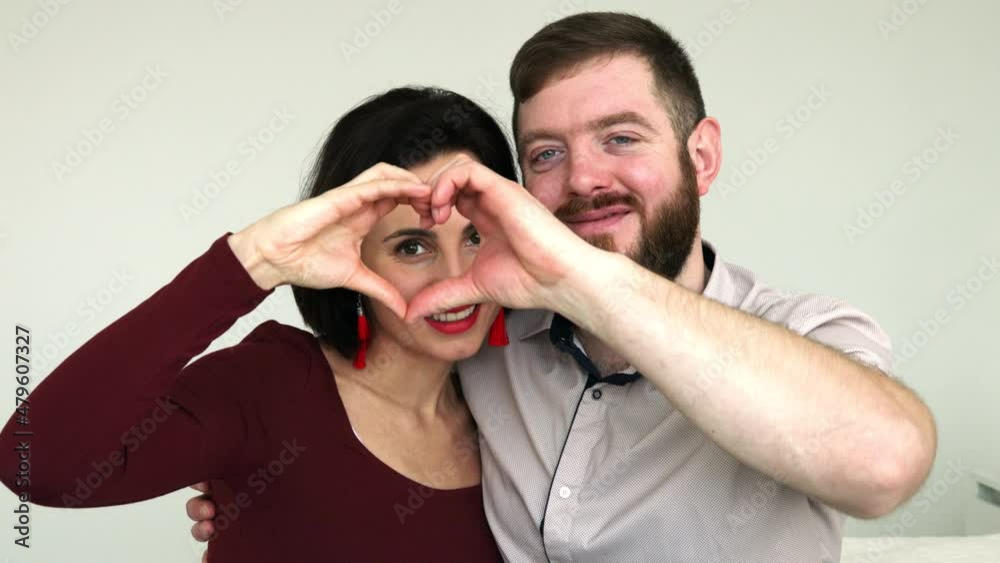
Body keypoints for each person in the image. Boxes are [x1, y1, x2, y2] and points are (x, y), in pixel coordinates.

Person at [186, 11, 938, 563]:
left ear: (701, 155)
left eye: (621, 137)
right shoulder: (490, 336)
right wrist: (272, 500)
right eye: (547, 154)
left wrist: (588, 278)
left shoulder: (805, 335)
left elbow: (885, 465)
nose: (583, 179)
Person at [0, 86, 520, 561]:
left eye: (475, 237)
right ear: (352, 250)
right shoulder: (268, 388)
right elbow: (36, 462)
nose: (458, 278)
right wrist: (254, 261)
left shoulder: (528, 408)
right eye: (412, 246)